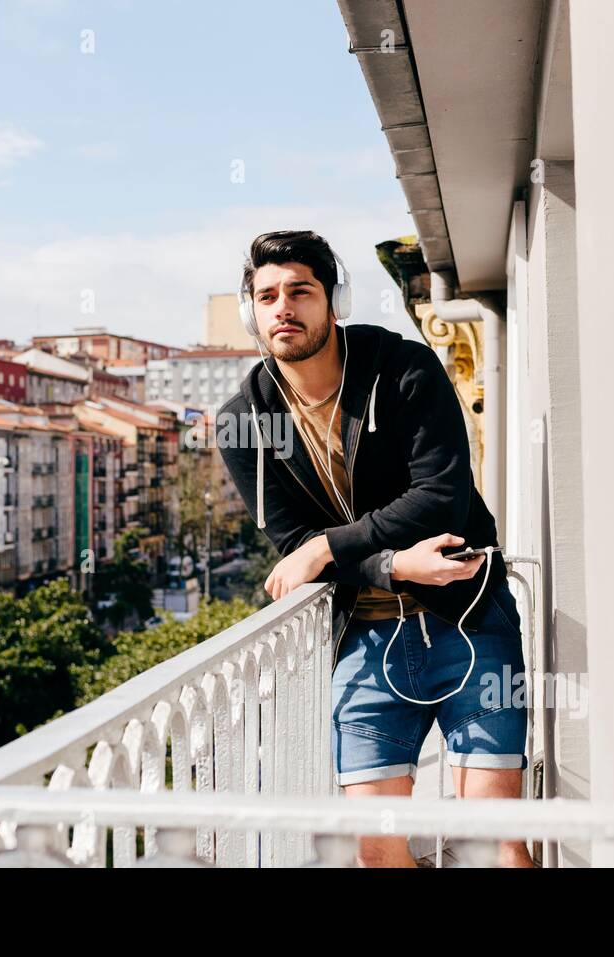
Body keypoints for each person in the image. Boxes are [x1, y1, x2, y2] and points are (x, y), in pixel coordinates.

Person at [217, 229, 533, 868]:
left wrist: (327, 548)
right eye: (267, 294)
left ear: (333, 301)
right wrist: (389, 565)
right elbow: (292, 544)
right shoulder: (242, 422)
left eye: (300, 291)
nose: (283, 307)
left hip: (468, 619)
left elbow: (441, 496)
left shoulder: (403, 369)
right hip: (362, 642)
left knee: (496, 843)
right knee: (379, 853)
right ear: (251, 310)